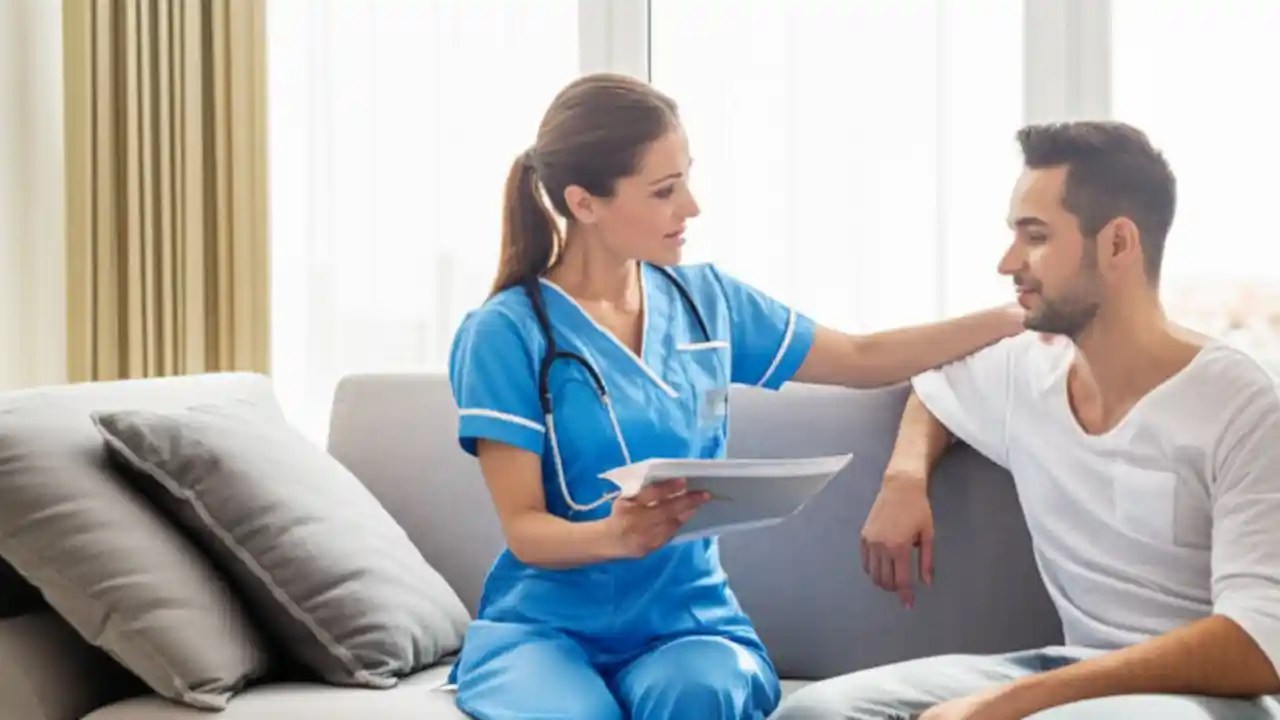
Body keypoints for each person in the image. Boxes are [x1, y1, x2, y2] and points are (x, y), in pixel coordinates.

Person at [445, 72, 1025, 720]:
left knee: (702, 695)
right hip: (543, 632)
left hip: (685, 624)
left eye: (686, 180)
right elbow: (526, 530)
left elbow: (862, 358)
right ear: (584, 203)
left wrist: (1012, 318)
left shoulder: (708, 301)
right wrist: (617, 536)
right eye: (665, 191)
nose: (690, 207)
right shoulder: (507, 332)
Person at [773, 121, 1280, 720]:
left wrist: (1007, 703)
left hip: (1205, 699)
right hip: (1066, 668)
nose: (1008, 262)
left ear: (1118, 244)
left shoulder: (1242, 407)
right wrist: (904, 479)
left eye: (1034, 237)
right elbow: (934, 392)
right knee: (818, 714)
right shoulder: (1026, 370)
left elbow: (1259, 645)